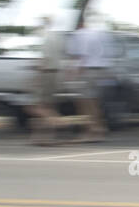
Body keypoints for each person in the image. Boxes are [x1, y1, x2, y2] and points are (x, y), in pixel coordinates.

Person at [65, 15, 110, 142]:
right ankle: (99, 128)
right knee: (93, 102)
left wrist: (74, 72)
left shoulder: (79, 34)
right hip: (101, 69)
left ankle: (92, 130)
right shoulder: (96, 33)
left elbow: (81, 55)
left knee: (84, 102)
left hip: (88, 69)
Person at [27, 16, 66, 145]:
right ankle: (44, 137)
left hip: (47, 73)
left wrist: (38, 76)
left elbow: (45, 59)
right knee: (49, 105)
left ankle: (55, 120)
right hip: (56, 73)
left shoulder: (47, 38)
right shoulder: (57, 37)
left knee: (38, 106)